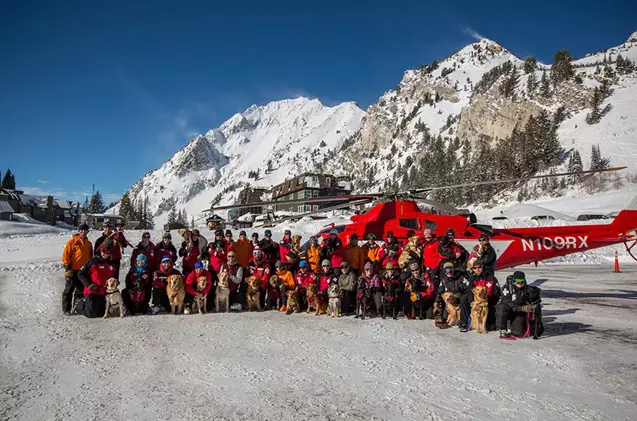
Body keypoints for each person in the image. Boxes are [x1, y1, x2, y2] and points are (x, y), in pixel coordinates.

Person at [496, 271, 544, 339]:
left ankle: (524, 326)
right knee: (501, 308)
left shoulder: (526, 289)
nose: (520, 283)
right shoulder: (507, 288)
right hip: (509, 310)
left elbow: (533, 300)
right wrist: (522, 308)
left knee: (518, 333)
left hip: (518, 313)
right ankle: (503, 329)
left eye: (522, 281)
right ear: (513, 280)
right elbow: (507, 302)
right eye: (517, 281)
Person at [78, 241, 118, 318]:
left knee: (101, 313)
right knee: (91, 314)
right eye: (104, 252)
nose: (105, 254)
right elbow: (81, 274)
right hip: (92, 290)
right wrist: (89, 285)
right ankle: (78, 303)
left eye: (108, 253)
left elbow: (113, 277)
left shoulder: (111, 264)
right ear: (101, 251)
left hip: (103, 292)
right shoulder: (92, 262)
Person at [61, 222, 93, 315]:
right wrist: (67, 267)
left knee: (80, 290)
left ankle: (77, 307)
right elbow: (66, 255)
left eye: (85, 230)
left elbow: (90, 256)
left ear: (87, 231)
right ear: (78, 231)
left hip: (83, 271)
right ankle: (66, 309)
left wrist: (90, 267)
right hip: (72, 270)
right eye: (81, 230)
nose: (83, 231)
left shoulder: (88, 244)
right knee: (69, 289)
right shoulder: (72, 242)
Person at [460, 261, 500, 330]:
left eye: (479, 267)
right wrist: (472, 302)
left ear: (483, 267)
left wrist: (488, 301)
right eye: (475, 268)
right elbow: (469, 291)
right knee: (463, 298)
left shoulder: (491, 277)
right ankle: (465, 322)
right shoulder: (472, 278)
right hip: (477, 302)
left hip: (488, 303)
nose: (477, 269)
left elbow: (496, 292)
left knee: (491, 327)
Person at [434, 261, 472, 327]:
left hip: (459, 300)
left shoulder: (460, 278)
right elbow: (439, 292)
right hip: (449, 302)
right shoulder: (444, 280)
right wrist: (436, 302)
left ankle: (460, 320)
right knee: (442, 300)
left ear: (453, 269)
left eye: (451, 270)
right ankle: (440, 316)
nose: (449, 272)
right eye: (447, 270)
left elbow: (468, 288)